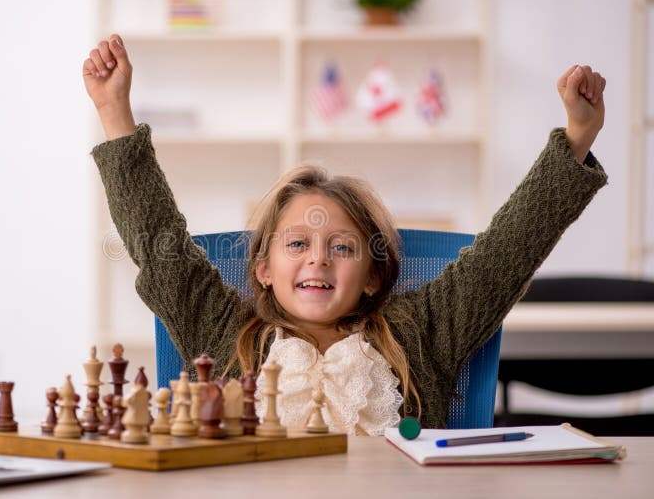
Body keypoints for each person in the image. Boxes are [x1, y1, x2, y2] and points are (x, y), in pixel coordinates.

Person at [84, 34, 607, 435]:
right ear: (263, 269)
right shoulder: (226, 332)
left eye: (342, 247)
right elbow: (159, 243)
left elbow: (506, 253)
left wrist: (578, 136)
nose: (318, 260)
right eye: (296, 244)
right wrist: (114, 110)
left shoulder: (422, 332)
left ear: (375, 275)